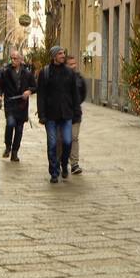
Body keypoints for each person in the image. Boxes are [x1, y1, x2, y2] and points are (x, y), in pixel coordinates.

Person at [35, 46, 79, 184]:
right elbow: (40, 95)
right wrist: (41, 114)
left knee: (67, 141)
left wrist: (76, 112)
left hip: (66, 114)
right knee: (52, 143)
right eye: (60, 53)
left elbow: (75, 94)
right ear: (54, 56)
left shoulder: (69, 73)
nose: (62, 55)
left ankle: (64, 163)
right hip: (50, 115)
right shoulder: (45, 72)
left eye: (63, 53)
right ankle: (54, 171)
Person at [0, 49, 34, 162]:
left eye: (15, 58)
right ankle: (8, 145)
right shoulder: (5, 72)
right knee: (10, 123)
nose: (13, 60)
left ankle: (15, 152)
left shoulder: (27, 73)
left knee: (19, 129)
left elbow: (34, 86)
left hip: (22, 105)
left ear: (20, 60)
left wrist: (29, 92)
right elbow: (1, 87)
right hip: (10, 103)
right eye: (12, 58)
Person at [64, 52, 88, 174]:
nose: (73, 66)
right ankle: (60, 161)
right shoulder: (61, 78)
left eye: (74, 64)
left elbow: (83, 94)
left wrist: (76, 104)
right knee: (63, 139)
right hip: (63, 113)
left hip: (75, 113)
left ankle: (74, 163)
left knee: (74, 138)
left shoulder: (79, 79)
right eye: (70, 64)